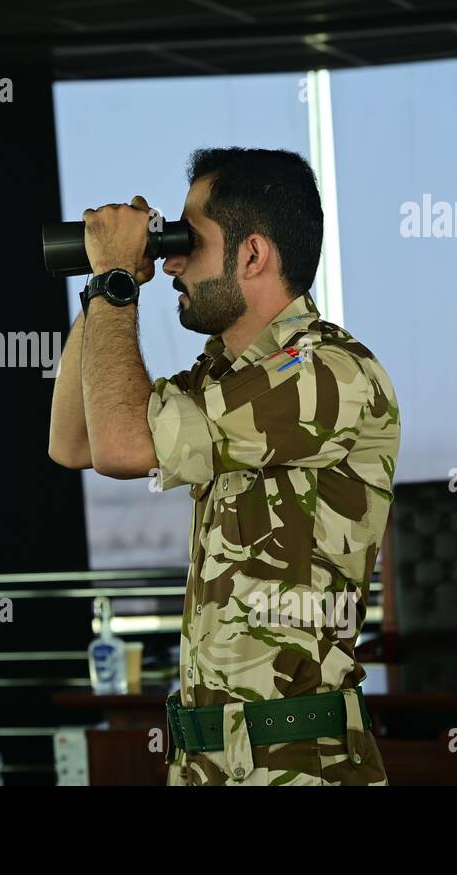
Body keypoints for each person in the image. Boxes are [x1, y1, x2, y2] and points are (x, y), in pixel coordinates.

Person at [48, 147, 400, 785]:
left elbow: (125, 446)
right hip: (210, 762)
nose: (172, 260)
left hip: (297, 764)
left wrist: (116, 283)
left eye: (189, 241)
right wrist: (100, 286)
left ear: (254, 254)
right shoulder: (221, 379)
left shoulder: (326, 372)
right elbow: (76, 441)